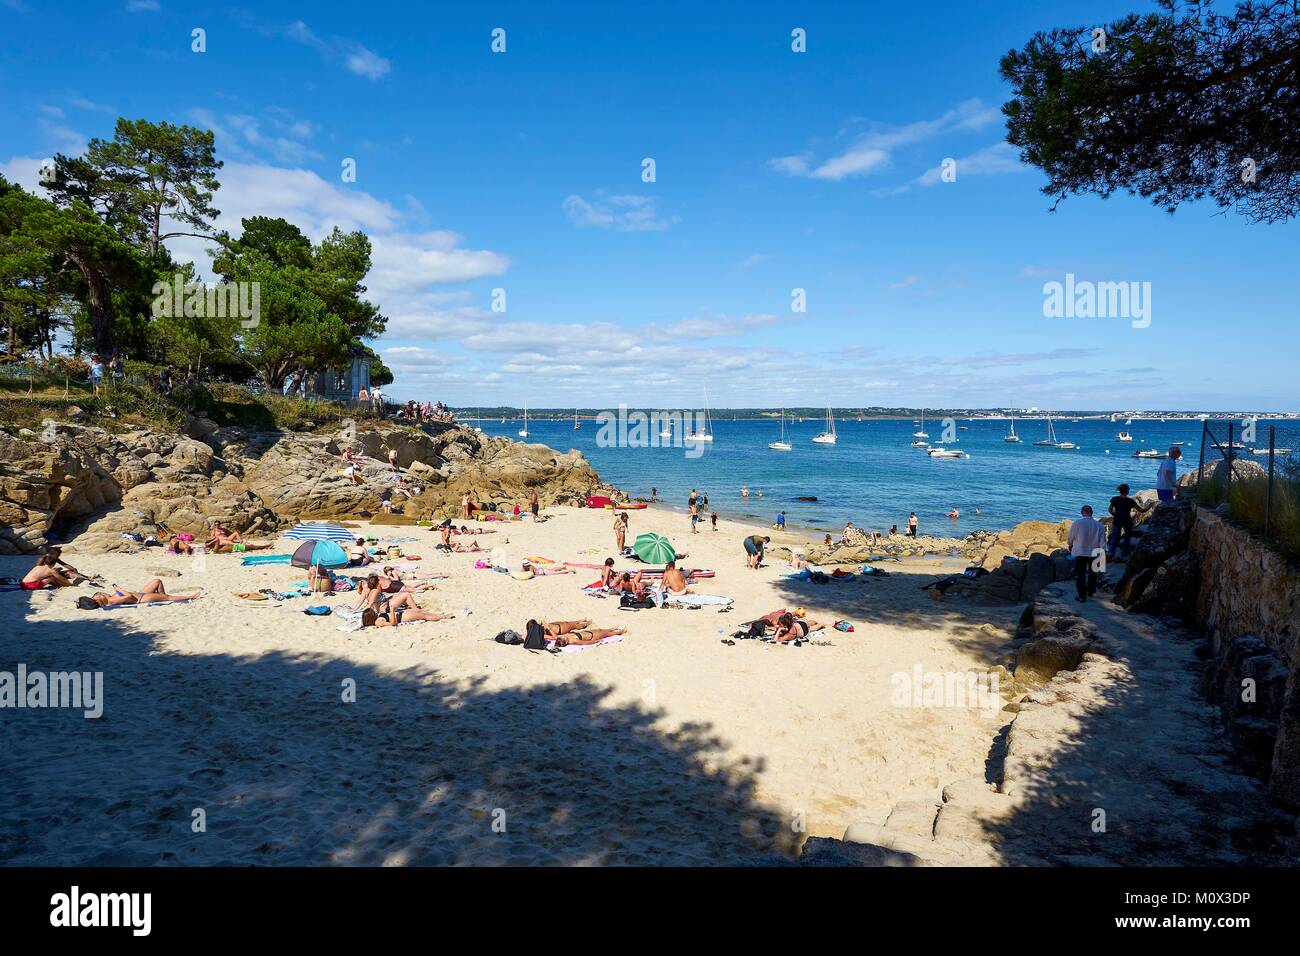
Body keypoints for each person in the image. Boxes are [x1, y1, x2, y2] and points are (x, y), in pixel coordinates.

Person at [1067, 505, 1107, 604]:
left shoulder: (1077, 523)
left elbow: (1071, 537)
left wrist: (1070, 545)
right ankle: (1091, 591)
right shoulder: (1100, 525)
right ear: (1092, 512)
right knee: (1093, 573)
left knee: (1081, 574)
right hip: (1095, 552)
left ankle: (1082, 596)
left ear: (1082, 512)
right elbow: (1103, 542)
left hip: (1080, 551)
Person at [84, 579, 202, 607]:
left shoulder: (111, 598)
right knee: (167, 597)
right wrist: (118, 589)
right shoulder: (111, 600)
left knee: (157, 581)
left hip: (140, 593)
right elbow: (129, 596)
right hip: (142, 598)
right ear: (102, 597)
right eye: (102, 593)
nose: (104, 592)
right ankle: (191, 596)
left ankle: (162, 596)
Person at [1107, 483, 1150, 560]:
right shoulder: (1130, 501)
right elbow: (1142, 511)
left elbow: (1109, 510)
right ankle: (1125, 552)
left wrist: (1115, 515)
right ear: (1127, 491)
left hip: (1117, 520)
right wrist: (1150, 506)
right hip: (1127, 521)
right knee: (1127, 537)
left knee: (1115, 538)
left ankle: (1111, 553)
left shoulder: (1114, 499)